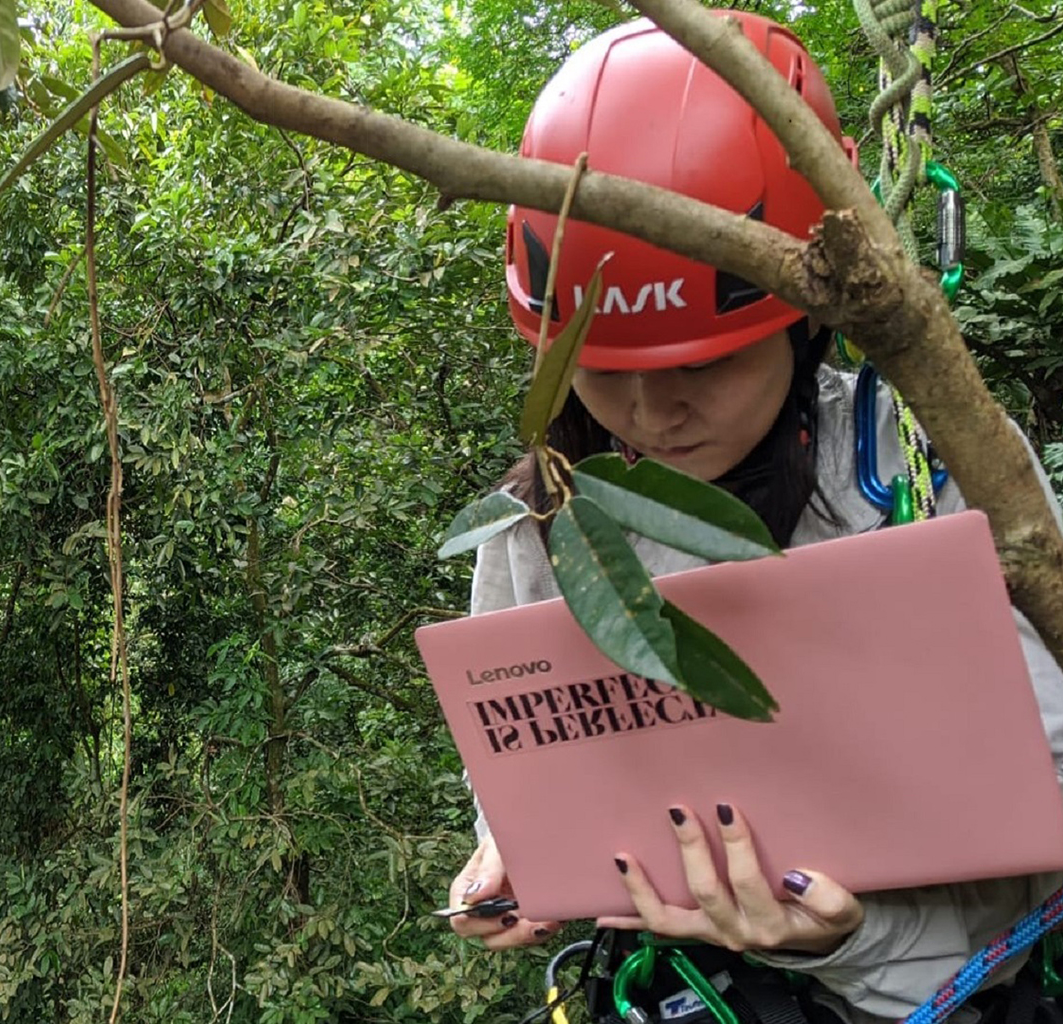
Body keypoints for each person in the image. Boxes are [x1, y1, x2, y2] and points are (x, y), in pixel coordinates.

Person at [448, 12, 1063, 1024]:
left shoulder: (924, 468)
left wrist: (857, 937)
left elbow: (1034, 820)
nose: (651, 415)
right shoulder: (546, 512)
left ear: (806, 303)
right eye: (606, 371)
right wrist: (516, 843)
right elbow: (521, 747)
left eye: (702, 365)